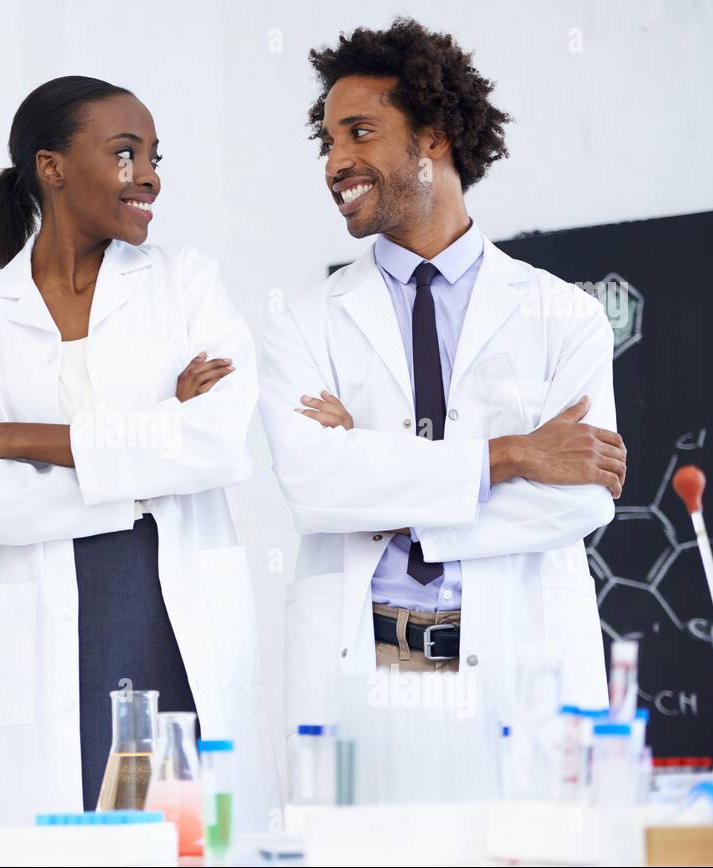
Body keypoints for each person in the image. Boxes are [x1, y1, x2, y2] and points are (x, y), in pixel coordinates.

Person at [259, 19, 628, 796]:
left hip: (518, 655)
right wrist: (512, 455)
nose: (337, 162)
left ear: (433, 137)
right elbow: (314, 486)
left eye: (359, 132)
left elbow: (579, 500)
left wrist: (385, 485)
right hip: (369, 657)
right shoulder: (302, 321)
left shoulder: (565, 315)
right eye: (327, 141)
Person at [0, 76, 276, 825]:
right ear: (52, 167)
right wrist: (149, 451)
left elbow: (217, 444)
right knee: (73, 828)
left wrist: (4, 438)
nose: (147, 175)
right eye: (124, 152)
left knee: (187, 830)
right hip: (48, 634)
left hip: (171, 614)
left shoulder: (186, 283)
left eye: (153, 157)